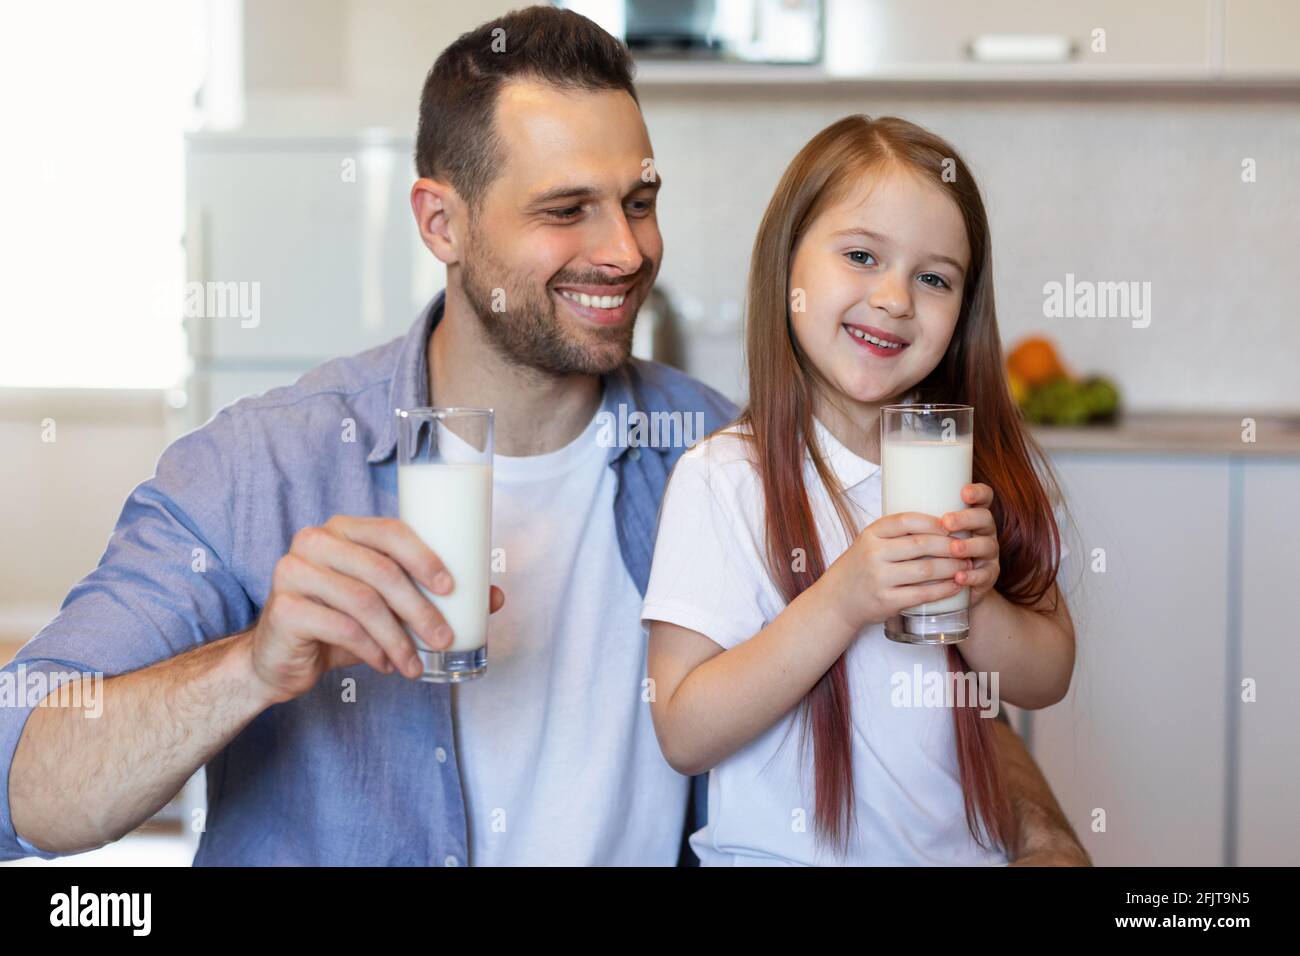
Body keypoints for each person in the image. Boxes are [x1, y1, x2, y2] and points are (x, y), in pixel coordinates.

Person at [1, 7, 1088, 866]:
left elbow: (909, 699)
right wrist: (254, 662)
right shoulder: (264, 468)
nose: (623, 250)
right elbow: (29, 783)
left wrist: (1038, 836)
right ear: (442, 222)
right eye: (565, 209)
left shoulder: (716, 454)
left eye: (640, 199)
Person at [642, 115, 1078, 864]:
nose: (895, 298)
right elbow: (683, 730)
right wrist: (842, 600)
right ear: (788, 266)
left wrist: (975, 599)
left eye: (933, 277)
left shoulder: (975, 471)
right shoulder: (723, 479)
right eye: (861, 255)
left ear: (963, 310)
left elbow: (1046, 677)